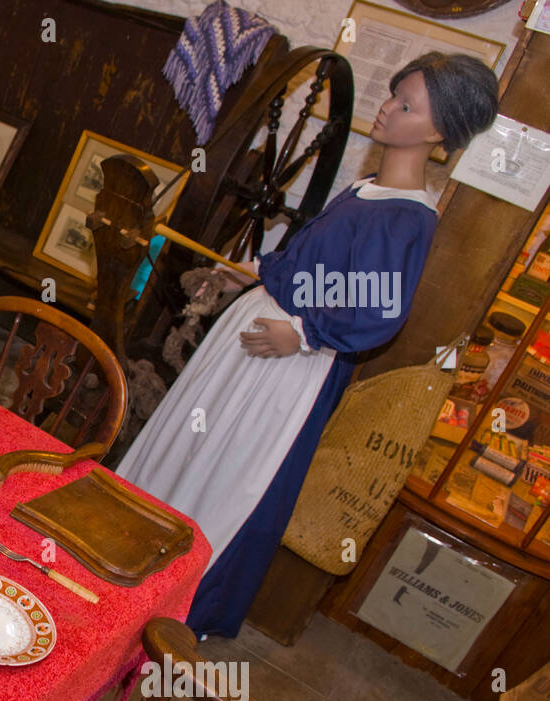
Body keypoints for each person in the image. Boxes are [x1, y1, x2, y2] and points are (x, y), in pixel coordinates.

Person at [117, 52, 499, 639]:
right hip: (256, 344)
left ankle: (176, 603)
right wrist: (260, 272)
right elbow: (326, 272)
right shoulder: (367, 187)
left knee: (231, 477)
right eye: (395, 93)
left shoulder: (408, 219)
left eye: (406, 105)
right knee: (191, 451)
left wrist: (303, 333)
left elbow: (378, 313)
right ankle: (128, 553)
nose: (388, 107)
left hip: (285, 373)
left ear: (440, 131)